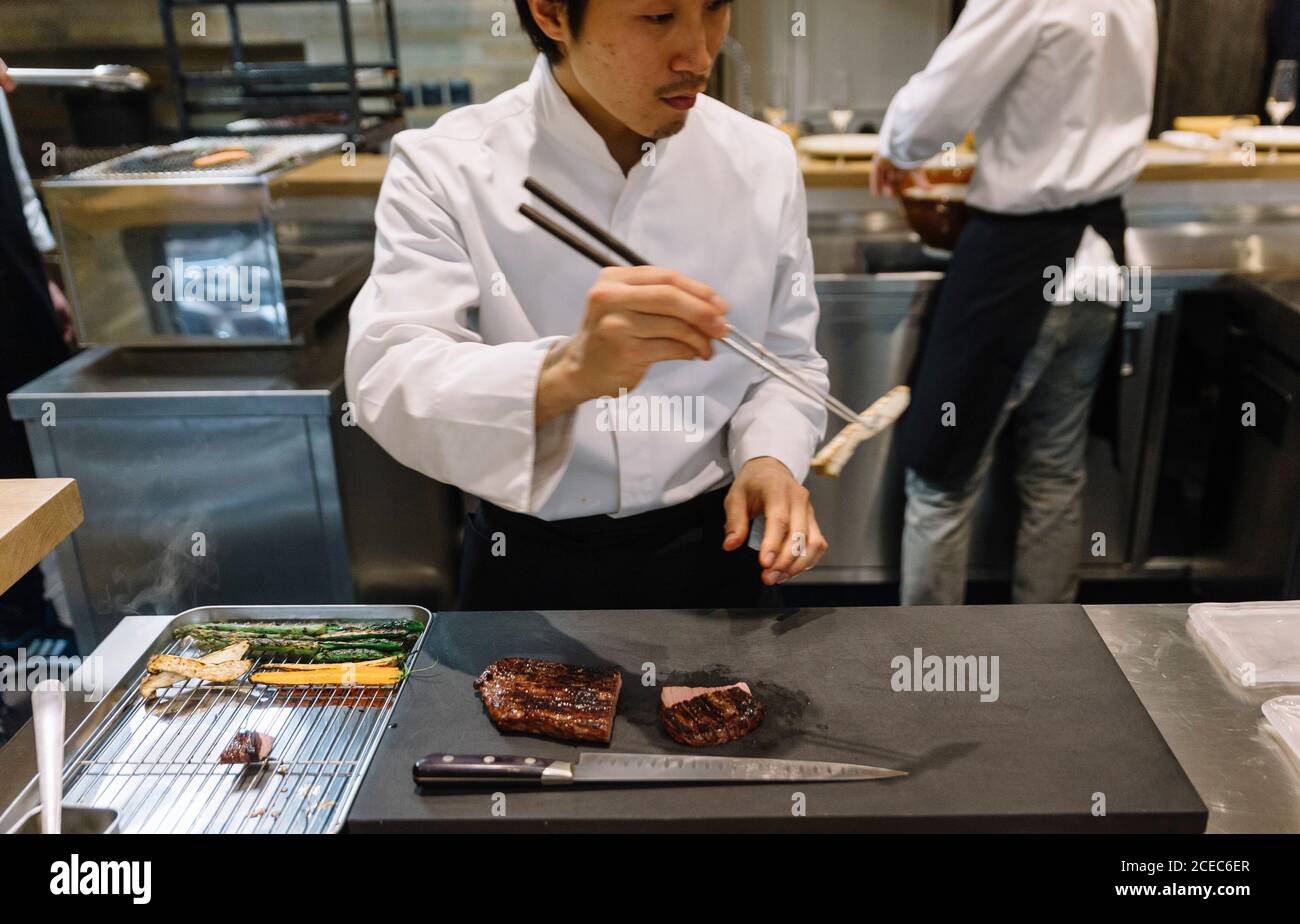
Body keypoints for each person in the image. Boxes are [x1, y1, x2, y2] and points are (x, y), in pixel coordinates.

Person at [345, 0, 829, 611]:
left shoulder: (761, 160)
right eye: (657, 18)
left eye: (714, 9)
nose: (700, 55)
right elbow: (386, 376)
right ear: (550, 13)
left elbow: (785, 359)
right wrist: (566, 373)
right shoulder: (448, 165)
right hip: (525, 563)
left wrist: (770, 457)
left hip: (717, 556)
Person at [871, 0, 1157, 605]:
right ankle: (1050, 664)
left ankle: (929, 668)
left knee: (942, 476)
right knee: (1055, 475)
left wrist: (896, 145)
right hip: (1100, 260)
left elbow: (934, 112)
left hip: (1016, 263)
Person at [0, 57, 77, 742]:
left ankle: (30, 630)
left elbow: (16, 184)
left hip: (12, 276)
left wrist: (43, 266)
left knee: (21, 464)